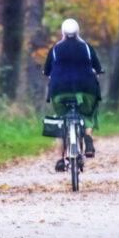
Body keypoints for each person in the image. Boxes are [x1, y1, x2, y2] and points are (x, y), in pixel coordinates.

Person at [41, 18, 104, 171]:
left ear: (63, 32)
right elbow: (98, 67)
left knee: (61, 122)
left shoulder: (55, 48)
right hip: (86, 89)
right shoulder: (87, 47)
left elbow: (46, 71)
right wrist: (97, 72)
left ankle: (59, 159)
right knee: (89, 113)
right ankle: (88, 137)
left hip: (59, 91)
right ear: (78, 32)